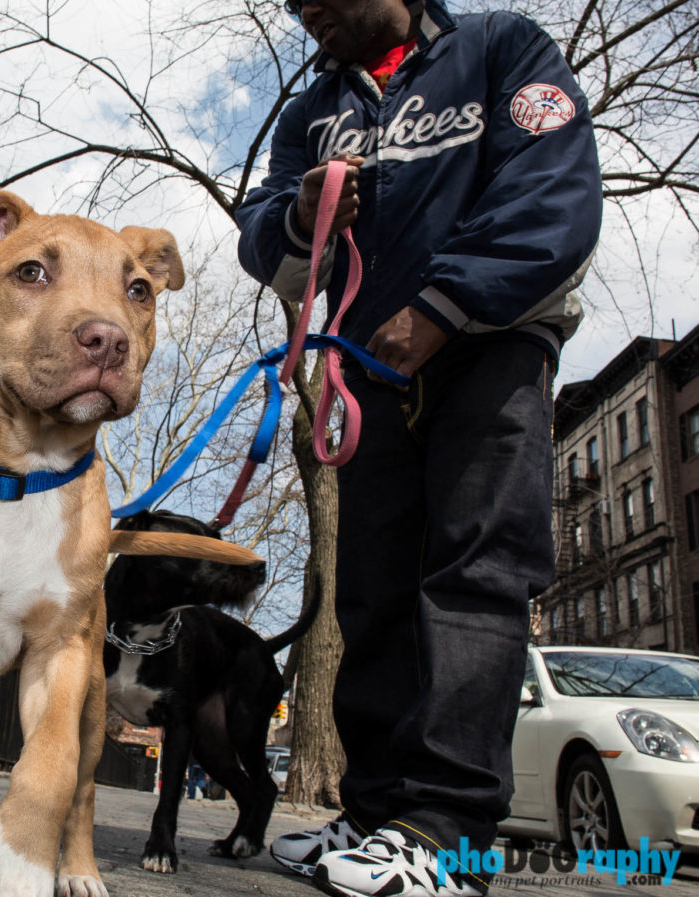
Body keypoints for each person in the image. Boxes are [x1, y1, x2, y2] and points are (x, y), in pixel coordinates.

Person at [235, 1, 601, 895]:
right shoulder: (311, 112)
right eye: (294, 5)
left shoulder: (500, 49)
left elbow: (554, 192)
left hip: (491, 346)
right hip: (368, 370)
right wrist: (301, 213)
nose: (306, 12)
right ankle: (374, 813)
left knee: (475, 575)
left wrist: (440, 308)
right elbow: (265, 245)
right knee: (372, 590)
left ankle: (445, 831)